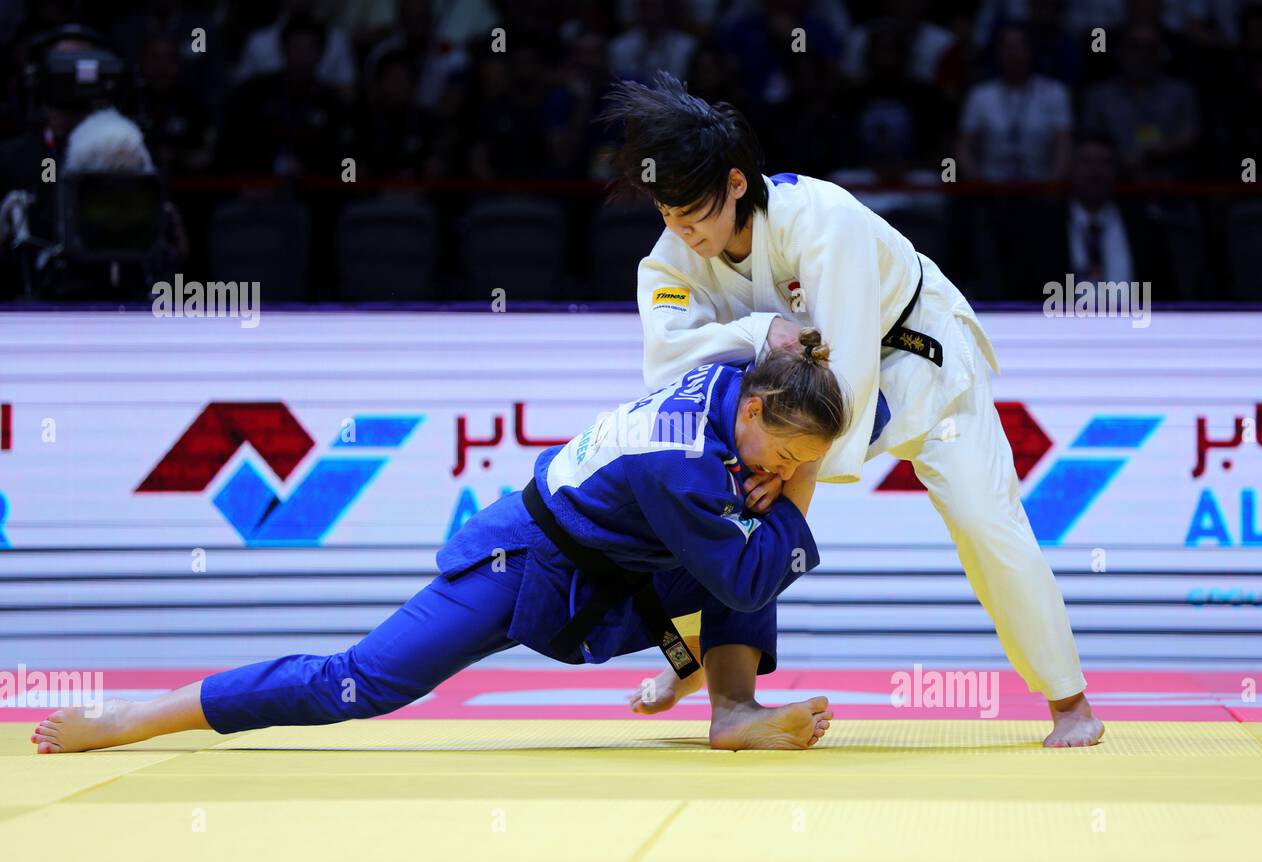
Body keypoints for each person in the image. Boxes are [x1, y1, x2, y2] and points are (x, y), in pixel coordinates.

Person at [33, 332, 850, 755]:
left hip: (619, 561)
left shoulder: (745, 372)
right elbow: (744, 583)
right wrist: (793, 495)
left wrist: (789, 464)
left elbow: (861, 413)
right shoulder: (679, 466)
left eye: (800, 464)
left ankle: (725, 706)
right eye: (781, 457)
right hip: (526, 561)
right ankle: (137, 718)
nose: (782, 471)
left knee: (752, 533)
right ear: (754, 412)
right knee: (356, 683)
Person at [602, 73, 1105, 747]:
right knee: (694, 487)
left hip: (918, 363)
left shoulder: (822, 221)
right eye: (668, 216)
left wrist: (788, 476)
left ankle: (1072, 703)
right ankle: (693, 657)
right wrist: (754, 334)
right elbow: (665, 363)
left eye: (694, 216)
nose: (683, 233)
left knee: (987, 525)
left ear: (735, 184)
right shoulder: (671, 257)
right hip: (797, 387)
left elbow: (850, 372)